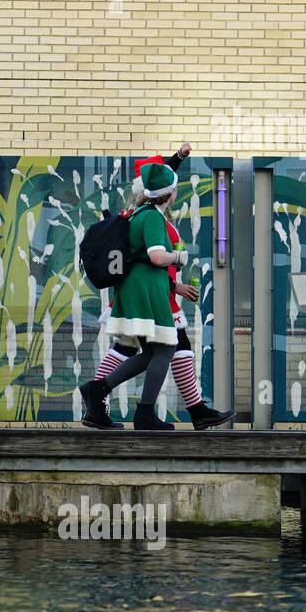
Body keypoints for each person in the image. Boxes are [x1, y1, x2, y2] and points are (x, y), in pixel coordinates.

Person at [89, 145, 233, 429]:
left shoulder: (138, 210)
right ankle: (101, 396)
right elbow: (151, 257)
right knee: (155, 349)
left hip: (155, 291)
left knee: (163, 349)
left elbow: (160, 180)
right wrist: (176, 271)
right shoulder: (150, 215)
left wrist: (177, 159)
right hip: (152, 295)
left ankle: (191, 410)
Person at [79, 161, 186, 430]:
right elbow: (157, 256)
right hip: (146, 290)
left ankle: (98, 389)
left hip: (138, 288)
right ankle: (145, 413)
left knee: (151, 352)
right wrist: (179, 257)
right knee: (167, 348)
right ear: (169, 193)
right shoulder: (151, 216)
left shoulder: (140, 212)